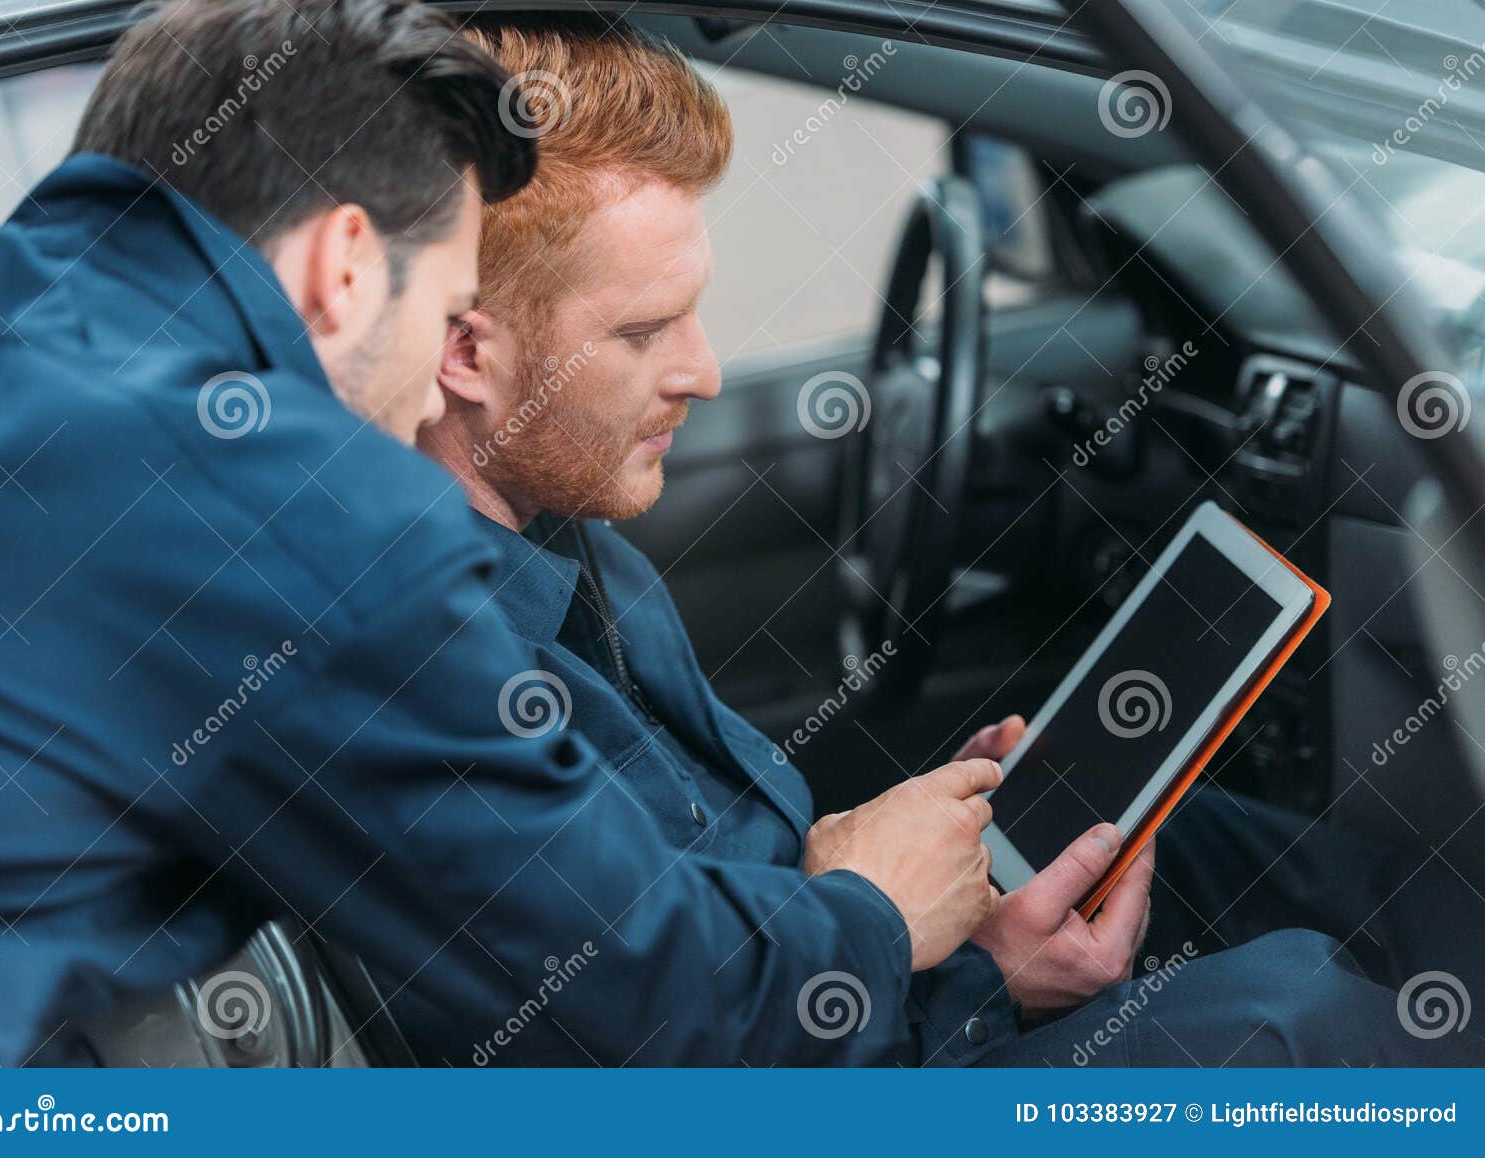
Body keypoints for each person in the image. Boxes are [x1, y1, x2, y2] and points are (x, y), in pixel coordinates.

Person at [0, 0, 1003, 1067]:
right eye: (445, 306)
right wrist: (876, 913)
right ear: (346, 265)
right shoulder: (312, 536)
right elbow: (663, 1012)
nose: (430, 396)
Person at [404, 13, 1485, 1065]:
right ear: (465, 352)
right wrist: (974, 979)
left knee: (1190, 837)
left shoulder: (566, 541)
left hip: (828, 982)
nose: (704, 372)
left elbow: (700, 899)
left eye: (691, 312)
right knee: (1299, 1019)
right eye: (642, 332)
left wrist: (903, 862)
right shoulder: (452, 695)